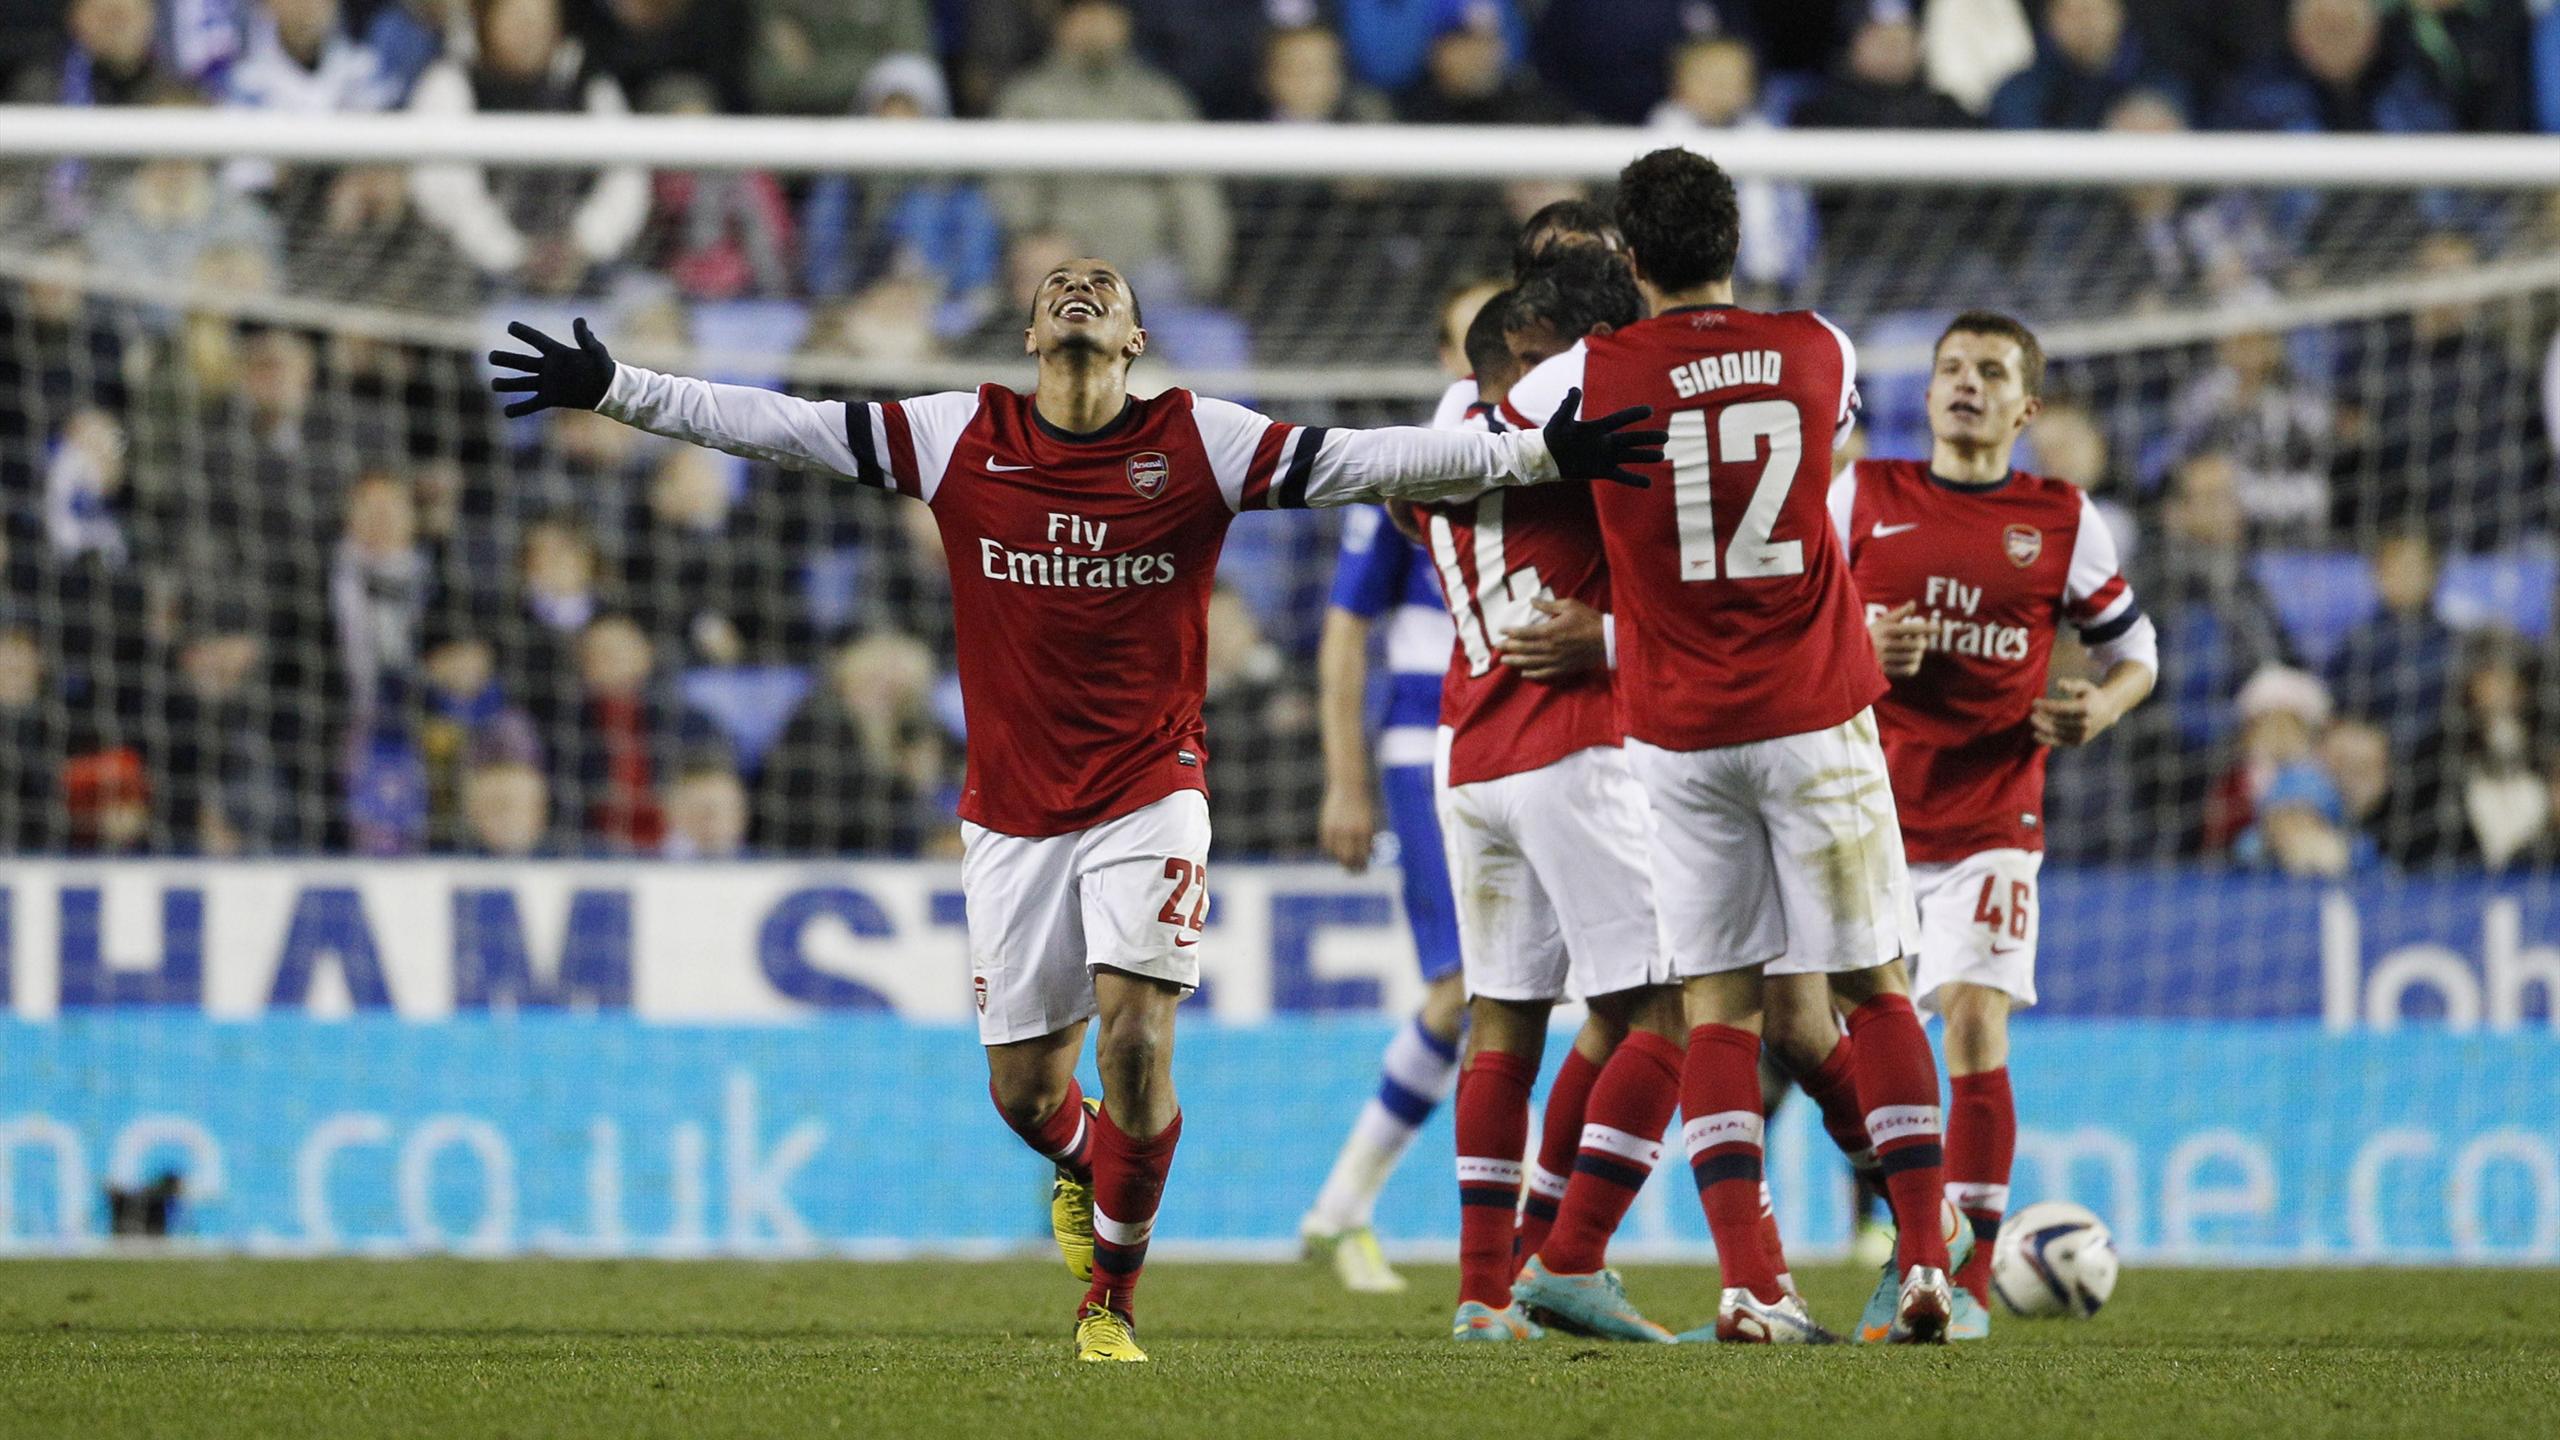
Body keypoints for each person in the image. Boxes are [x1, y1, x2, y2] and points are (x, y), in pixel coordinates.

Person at [487, 257, 1663, 1361]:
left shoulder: (1197, 439)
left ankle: (1111, 1295)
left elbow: (1368, 458)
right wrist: (616, 388)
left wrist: (1531, 459)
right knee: (1024, 1094)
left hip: (1152, 789)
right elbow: (777, 427)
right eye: (1061, 287)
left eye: (1103, 286)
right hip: (1009, 813)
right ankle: (1080, 1158)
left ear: (1135, 336)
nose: (1080, 291)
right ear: (1032, 333)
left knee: (1139, 1038)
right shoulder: (959, 434)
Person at [1500, 146, 1958, 1344]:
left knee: (1716, 1005)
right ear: (1735, 247)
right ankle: (1922, 1262)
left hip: (1680, 731)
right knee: (1872, 985)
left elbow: (1504, 433)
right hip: (1814, 707)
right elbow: (1828, 458)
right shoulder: (1820, 346)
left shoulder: (1583, 378)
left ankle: (1752, 1283)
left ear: (1632, 257)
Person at [1825, 311, 2158, 1338]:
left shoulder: (2061, 518)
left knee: (1971, 1019)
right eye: (1950, 369)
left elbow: (2132, 645)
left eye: (1991, 372)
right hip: (1865, 816)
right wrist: (1867, 645)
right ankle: (1918, 1237)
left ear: (2028, 407)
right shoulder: (1859, 496)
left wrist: (2097, 706)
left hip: (1991, 816)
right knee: (1832, 1047)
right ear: (1925, 395)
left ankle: (1956, 1294)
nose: (1966, 384)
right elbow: (1794, 630)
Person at [1420, 264, 1691, 1346]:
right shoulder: (1569, 450)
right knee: (1672, 1004)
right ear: (1536, 359)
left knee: (1504, 1022)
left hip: (1472, 756)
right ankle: (1570, 1258)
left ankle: (1483, 1294)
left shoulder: (1428, 461)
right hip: (1572, 746)